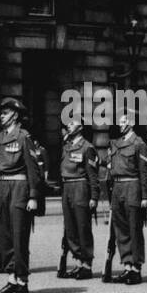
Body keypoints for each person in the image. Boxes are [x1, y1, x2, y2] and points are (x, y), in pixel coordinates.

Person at [0, 98, 42, 293]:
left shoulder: (23, 137)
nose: (1, 116)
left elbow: (32, 168)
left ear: (15, 115)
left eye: (5, 113)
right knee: (4, 236)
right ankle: (11, 278)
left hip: (19, 188)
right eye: (0, 113)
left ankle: (22, 281)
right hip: (2, 188)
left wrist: (33, 195)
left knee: (19, 236)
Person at [105, 114, 147, 283]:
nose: (121, 124)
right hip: (117, 188)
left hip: (133, 187)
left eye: (124, 121)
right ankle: (127, 265)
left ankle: (136, 267)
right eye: (119, 121)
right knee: (121, 230)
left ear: (132, 123)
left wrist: (145, 195)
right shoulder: (116, 144)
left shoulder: (139, 144)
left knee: (134, 229)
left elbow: (145, 172)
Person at [58, 119, 99, 278]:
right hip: (67, 187)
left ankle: (87, 264)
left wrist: (94, 196)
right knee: (70, 228)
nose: (69, 125)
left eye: (73, 122)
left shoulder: (87, 148)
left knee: (82, 227)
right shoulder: (66, 146)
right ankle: (78, 261)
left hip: (80, 187)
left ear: (81, 127)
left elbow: (92, 174)